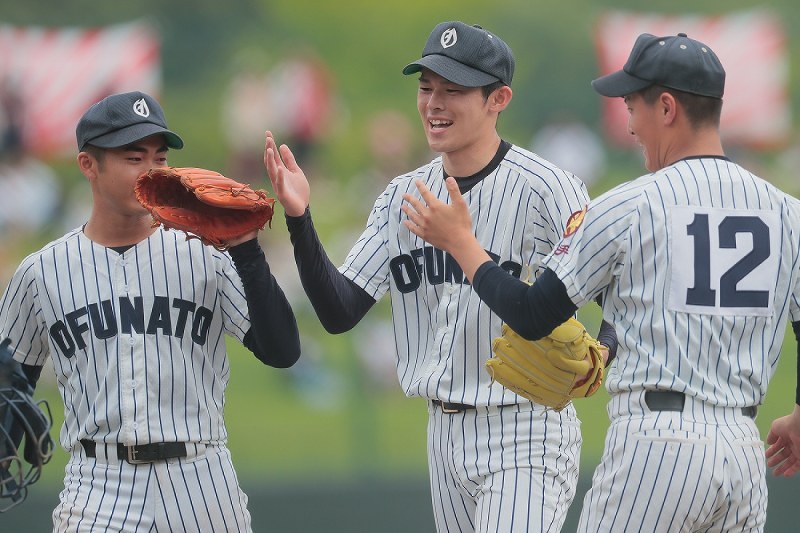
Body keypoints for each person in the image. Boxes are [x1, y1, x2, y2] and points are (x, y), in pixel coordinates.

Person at [402, 31, 800, 532]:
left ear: (668, 108)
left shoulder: (630, 205)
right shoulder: (787, 213)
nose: (629, 124)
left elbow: (531, 315)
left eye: (632, 105)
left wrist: (461, 243)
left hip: (656, 450)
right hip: (743, 451)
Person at [264, 20, 616, 533]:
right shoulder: (399, 196)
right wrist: (300, 219)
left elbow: (619, 293)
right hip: (442, 433)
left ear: (499, 99)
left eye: (453, 90)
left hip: (525, 430)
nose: (434, 103)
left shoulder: (547, 189)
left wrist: (603, 354)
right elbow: (339, 312)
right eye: (426, 87)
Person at [0, 90, 301, 531]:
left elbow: (282, 351)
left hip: (201, 477)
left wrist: (247, 251)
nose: (152, 171)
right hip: (98, 482)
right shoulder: (41, 273)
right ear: (89, 165)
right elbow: (12, 381)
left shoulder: (205, 254)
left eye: (159, 158)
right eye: (133, 157)